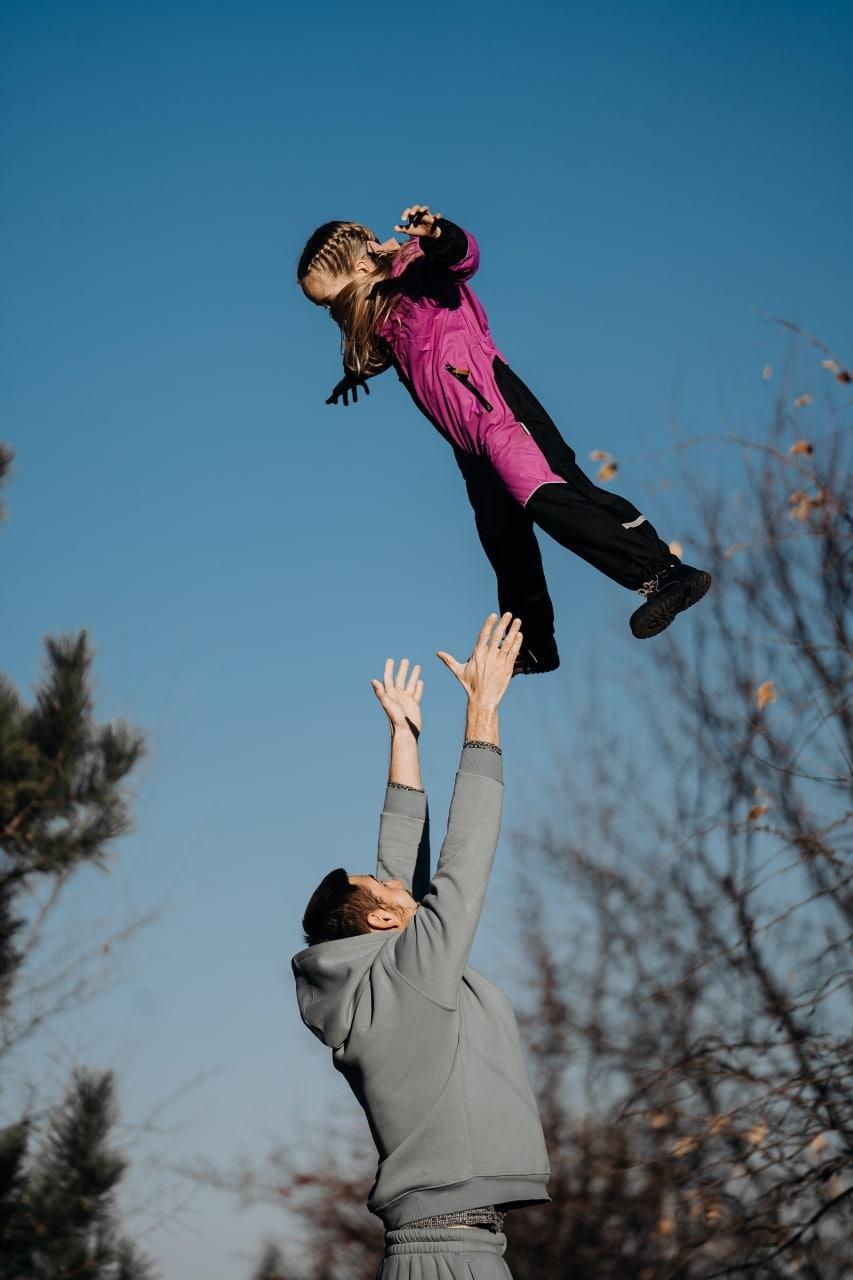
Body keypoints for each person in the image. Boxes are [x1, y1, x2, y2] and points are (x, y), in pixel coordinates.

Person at [297, 206, 711, 670]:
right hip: (468, 443)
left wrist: (438, 234)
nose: (333, 310)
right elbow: (392, 350)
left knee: (555, 498)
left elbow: (463, 261)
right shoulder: (384, 314)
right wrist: (352, 374)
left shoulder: (419, 270)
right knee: (502, 538)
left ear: (358, 268)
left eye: (332, 299)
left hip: (502, 414)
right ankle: (533, 643)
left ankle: (664, 575)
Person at [292, 613, 549, 1279]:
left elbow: (398, 860)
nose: (395, 879)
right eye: (382, 885)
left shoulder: (372, 988)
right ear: (379, 922)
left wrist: (402, 736)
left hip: (449, 1247)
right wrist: (482, 713)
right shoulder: (407, 982)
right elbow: (465, 856)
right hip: (447, 1254)